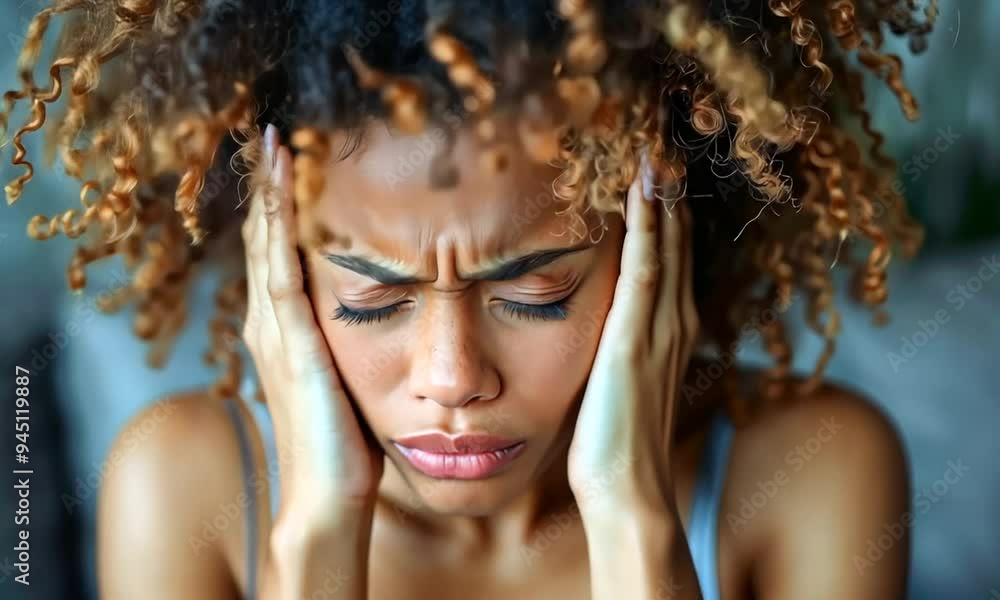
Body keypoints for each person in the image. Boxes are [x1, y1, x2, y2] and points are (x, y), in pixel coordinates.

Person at [2, 1, 939, 598]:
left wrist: (635, 524)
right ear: (280, 272)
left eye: (537, 292)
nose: (451, 379)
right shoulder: (181, 487)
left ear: (660, 253)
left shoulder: (812, 473)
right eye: (371, 299)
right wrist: (321, 535)